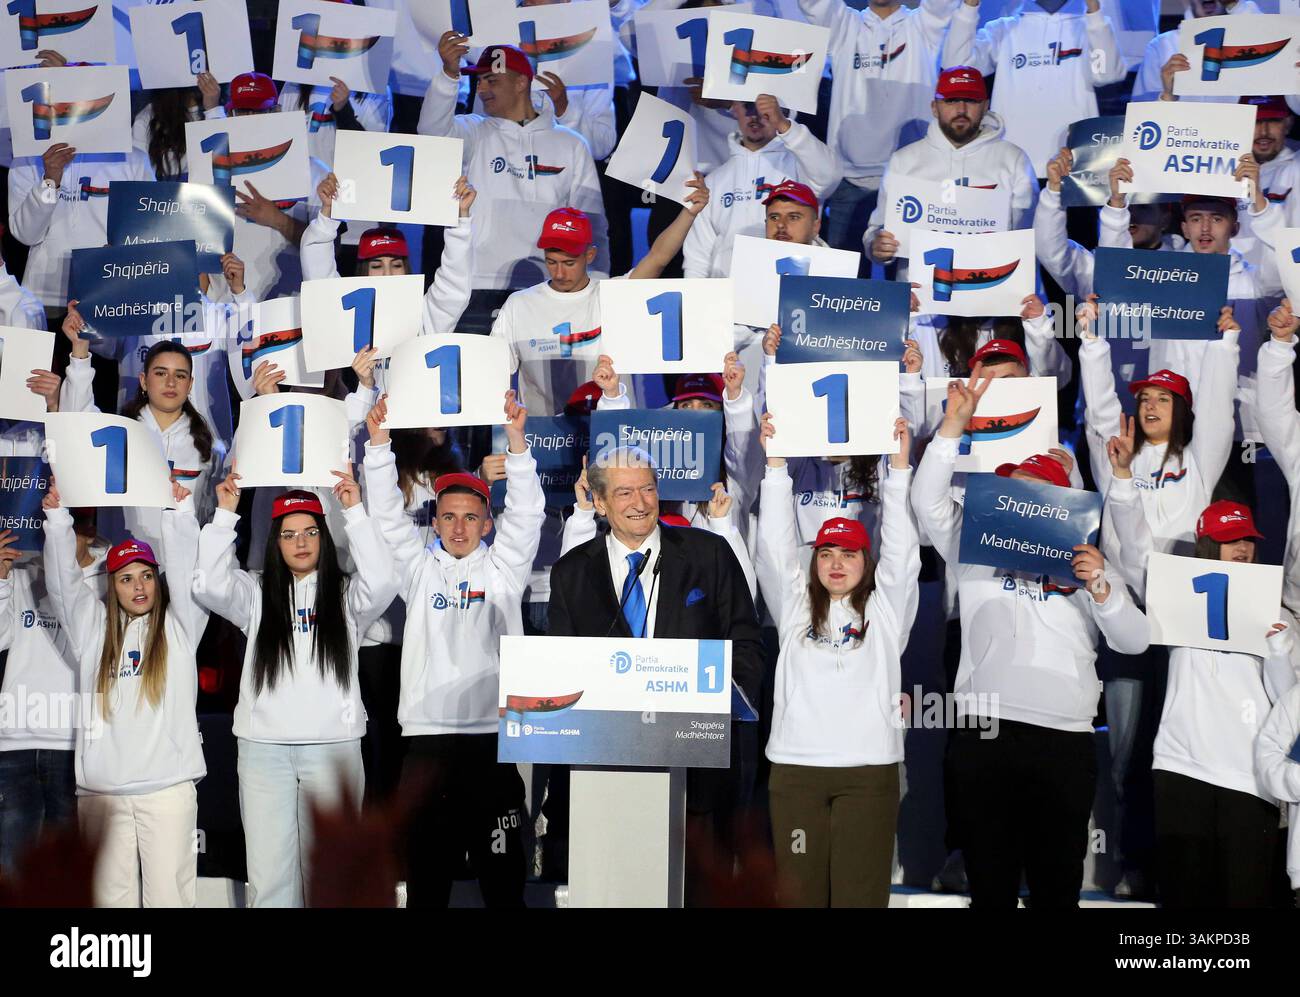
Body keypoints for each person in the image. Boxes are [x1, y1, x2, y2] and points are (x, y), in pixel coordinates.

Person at [911, 368, 1150, 908]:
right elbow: (928, 505)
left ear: (1065, 502)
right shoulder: (977, 544)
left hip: (1063, 738)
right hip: (985, 731)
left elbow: (1136, 641)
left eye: (1038, 489)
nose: (1025, 498)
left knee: (1055, 892)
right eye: (1017, 487)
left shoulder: (1090, 562)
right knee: (989, 892)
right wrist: (952, 428)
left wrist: (1103, 588)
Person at [545, 445, 764, 898]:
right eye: (624, 492)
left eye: (648, 488)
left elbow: (745, 640)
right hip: (607, 771)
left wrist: (721, 702)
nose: (640, 503)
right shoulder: (571, 573)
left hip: (696, 766)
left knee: (703, 891)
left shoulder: (708, 554)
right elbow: (560, 666)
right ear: (600, 503)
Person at [362, 390, 544, 907]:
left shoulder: (505, 569)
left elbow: (528, 514)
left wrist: (517, 445)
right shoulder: (418, 571)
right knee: (427, 889)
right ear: (435, 522)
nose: (459, 528)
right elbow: (387, 522)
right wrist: (378, 449)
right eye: (449, 517)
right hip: (426, 746)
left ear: (488, 523)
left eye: (470, 517)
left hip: (492, 743)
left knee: (504, 889)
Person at [193, 472, 398, 907]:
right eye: (289, 534)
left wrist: (355, 512)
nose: (300, 542)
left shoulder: (347, 596)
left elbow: (383, 581)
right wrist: (226, 515)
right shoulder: (255, 592)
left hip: (334, 749)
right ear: (275, 542)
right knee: (269, 881)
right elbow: (208, 584)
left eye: (309, 532)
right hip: (263, 751)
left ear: (324, 536)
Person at [757, 411, 919, 907]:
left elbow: (902, 553)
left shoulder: (887, 609)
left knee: (860, 899)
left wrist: (899, 472)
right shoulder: (793, 606)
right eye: (826, 552)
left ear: (866, 563)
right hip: (796, 772)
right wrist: (776, 469)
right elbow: (774, 547)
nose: (835, 562)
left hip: (867, 773)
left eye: (848, 554)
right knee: (798, 899)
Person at [1106, 487, 1294, 907]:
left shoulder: (1275, 611)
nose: (1242, 548)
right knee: (1182, 900)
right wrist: (1121, 484)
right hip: (1180, 767)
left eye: (1248, 539)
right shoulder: (1179, 594)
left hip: (1248, 777)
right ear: (1210, 544)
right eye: (1232, 539)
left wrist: (1280, 652)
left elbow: (1288, 705)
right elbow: (1136, 549)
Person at [41, 482, 208, 907]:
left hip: (167, 792)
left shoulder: (179, 626)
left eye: (147, 576)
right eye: (127, 578)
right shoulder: (91, 630)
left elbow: (188, 571)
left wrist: (179, 512)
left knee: (170, 900)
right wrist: (59, 521)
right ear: (110, 585)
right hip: (103, 795)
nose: (139, 587)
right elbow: (63, 586)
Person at [489, 179, 708, 419]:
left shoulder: (613, 296)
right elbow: (491, 374)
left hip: (610, 437)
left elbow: (658, 258)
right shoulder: (519, 305)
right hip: (543, 440)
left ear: (590, 255)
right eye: (551, 262)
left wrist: (689, 213)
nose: (559, 273)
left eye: (569, 263)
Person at [419, 38, 608, 300]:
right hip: (476, 283)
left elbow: (592, 223)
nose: (482, 88)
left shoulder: (571, 144)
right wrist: (449, 75)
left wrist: (595, 285)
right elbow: (431, 134)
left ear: (521, 83)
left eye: (492, 80)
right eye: (480, 80)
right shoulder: (472, 131)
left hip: (548, 286)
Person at [797, 0, 966, 252]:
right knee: (847, 283)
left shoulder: (924, 24)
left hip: (913, 180)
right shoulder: (845, 24)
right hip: (851, 180)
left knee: (909, 281)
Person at [0, 516, 106, 879]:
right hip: (14, 743)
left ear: (88, 532)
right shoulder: (21, 572)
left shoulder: (113, 578)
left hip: (74, 744)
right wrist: (0, 581)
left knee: (68, 875)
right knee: (12, 871)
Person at [57, 336, 225, 553]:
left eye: (180, 375)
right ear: (144, 380)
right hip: (123, 569)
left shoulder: (209, 448)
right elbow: (77, 418)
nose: (171, 382)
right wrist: (80, 350)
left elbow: (209, 515)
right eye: (161, 373)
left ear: (190, 384)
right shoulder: (117, 433)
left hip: (183, 572)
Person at [865, 66, 1037, 274]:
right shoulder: (904, 161)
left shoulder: (1013, 159)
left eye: (971, 100)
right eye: (951, 100)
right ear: (934, 107)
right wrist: (877, 247)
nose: (961, 110)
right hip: (918, 296)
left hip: (990, 292)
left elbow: (1028, 236)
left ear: (985, 106)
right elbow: (876, 229)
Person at [942, 0, 1127, 180]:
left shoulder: (1091, 27)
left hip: (1073, 165)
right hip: (1011, 164)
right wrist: (969, 6)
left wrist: (1094, 10)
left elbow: (1107, 74)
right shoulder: (1003, 29)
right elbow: (956, 67)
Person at [682, 94, 841, 280]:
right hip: (728, 292)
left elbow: (830, 176)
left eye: (766, 111)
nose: (756, 116)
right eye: (748, 106)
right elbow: (697, 256)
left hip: (789, 291)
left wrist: (784, 125)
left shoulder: (802, 166)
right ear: (734, 108)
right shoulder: (714, 181)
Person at [1132, 0, 1264, 104]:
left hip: (1238, 134)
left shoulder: (1248, 39)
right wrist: (1167, 95)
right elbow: (1141, 116)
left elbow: (1268, 38)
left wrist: (1235, 5)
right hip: (1181, 134)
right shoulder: (1161, 45)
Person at [131, 72, 223, 180]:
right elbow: (137, 173)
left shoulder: (223, 110)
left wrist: (213, 109)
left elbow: (223, 160)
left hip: (209, 191)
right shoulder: (147, 118)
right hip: (164, 194)